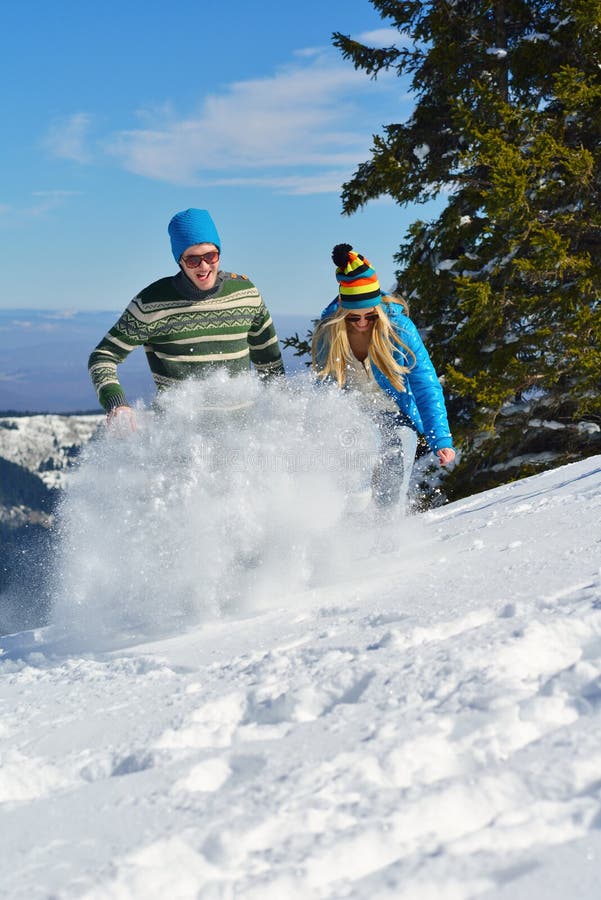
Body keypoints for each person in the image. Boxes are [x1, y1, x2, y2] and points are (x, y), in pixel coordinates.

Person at [88, 208, 284, 428]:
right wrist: (117, 404)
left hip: (242, 438)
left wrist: (281, 414)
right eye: (193, 259)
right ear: (179, 260)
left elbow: (270, 364)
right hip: (181, 442)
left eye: (210, 256)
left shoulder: (245, 294)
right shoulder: (151, 303)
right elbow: (103, 357)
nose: (204, 266)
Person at [312, 243, 455, 512]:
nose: (363, 323)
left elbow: (425, 383)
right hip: (351, 416)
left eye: (370, 316)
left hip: (395, 415)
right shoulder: (329, 333)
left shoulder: (399, 328)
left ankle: (390, 540)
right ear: (343, 312)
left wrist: (441, 440)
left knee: (396, 474)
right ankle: (352, 522)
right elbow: (323, 390)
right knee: (361, 459)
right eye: (354, 318)